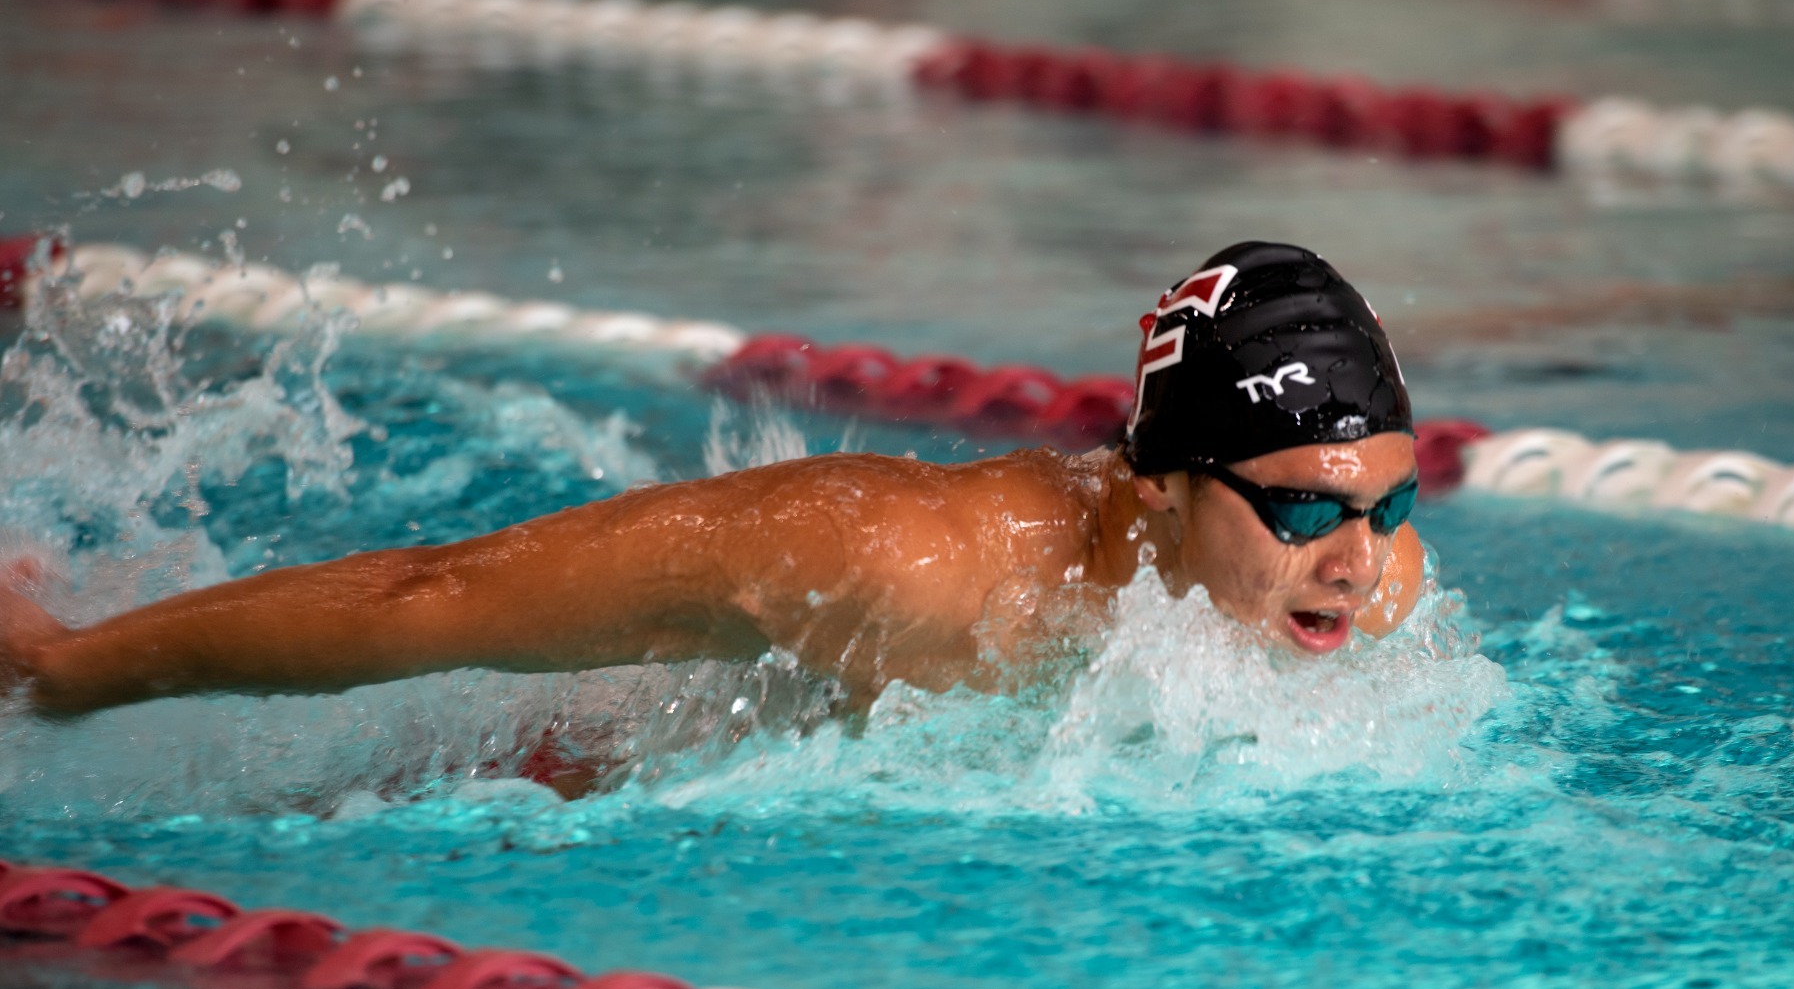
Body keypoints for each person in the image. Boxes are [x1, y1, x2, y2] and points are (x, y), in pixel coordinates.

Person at [0, 240, 1424, 721]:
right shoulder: (899, 560)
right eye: (1305, 507)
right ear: (1163, 481)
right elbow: (433, 598)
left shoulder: (1367, 587)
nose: (1357, 564)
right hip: (612, 751)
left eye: (1387, 504)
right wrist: (69, 668)